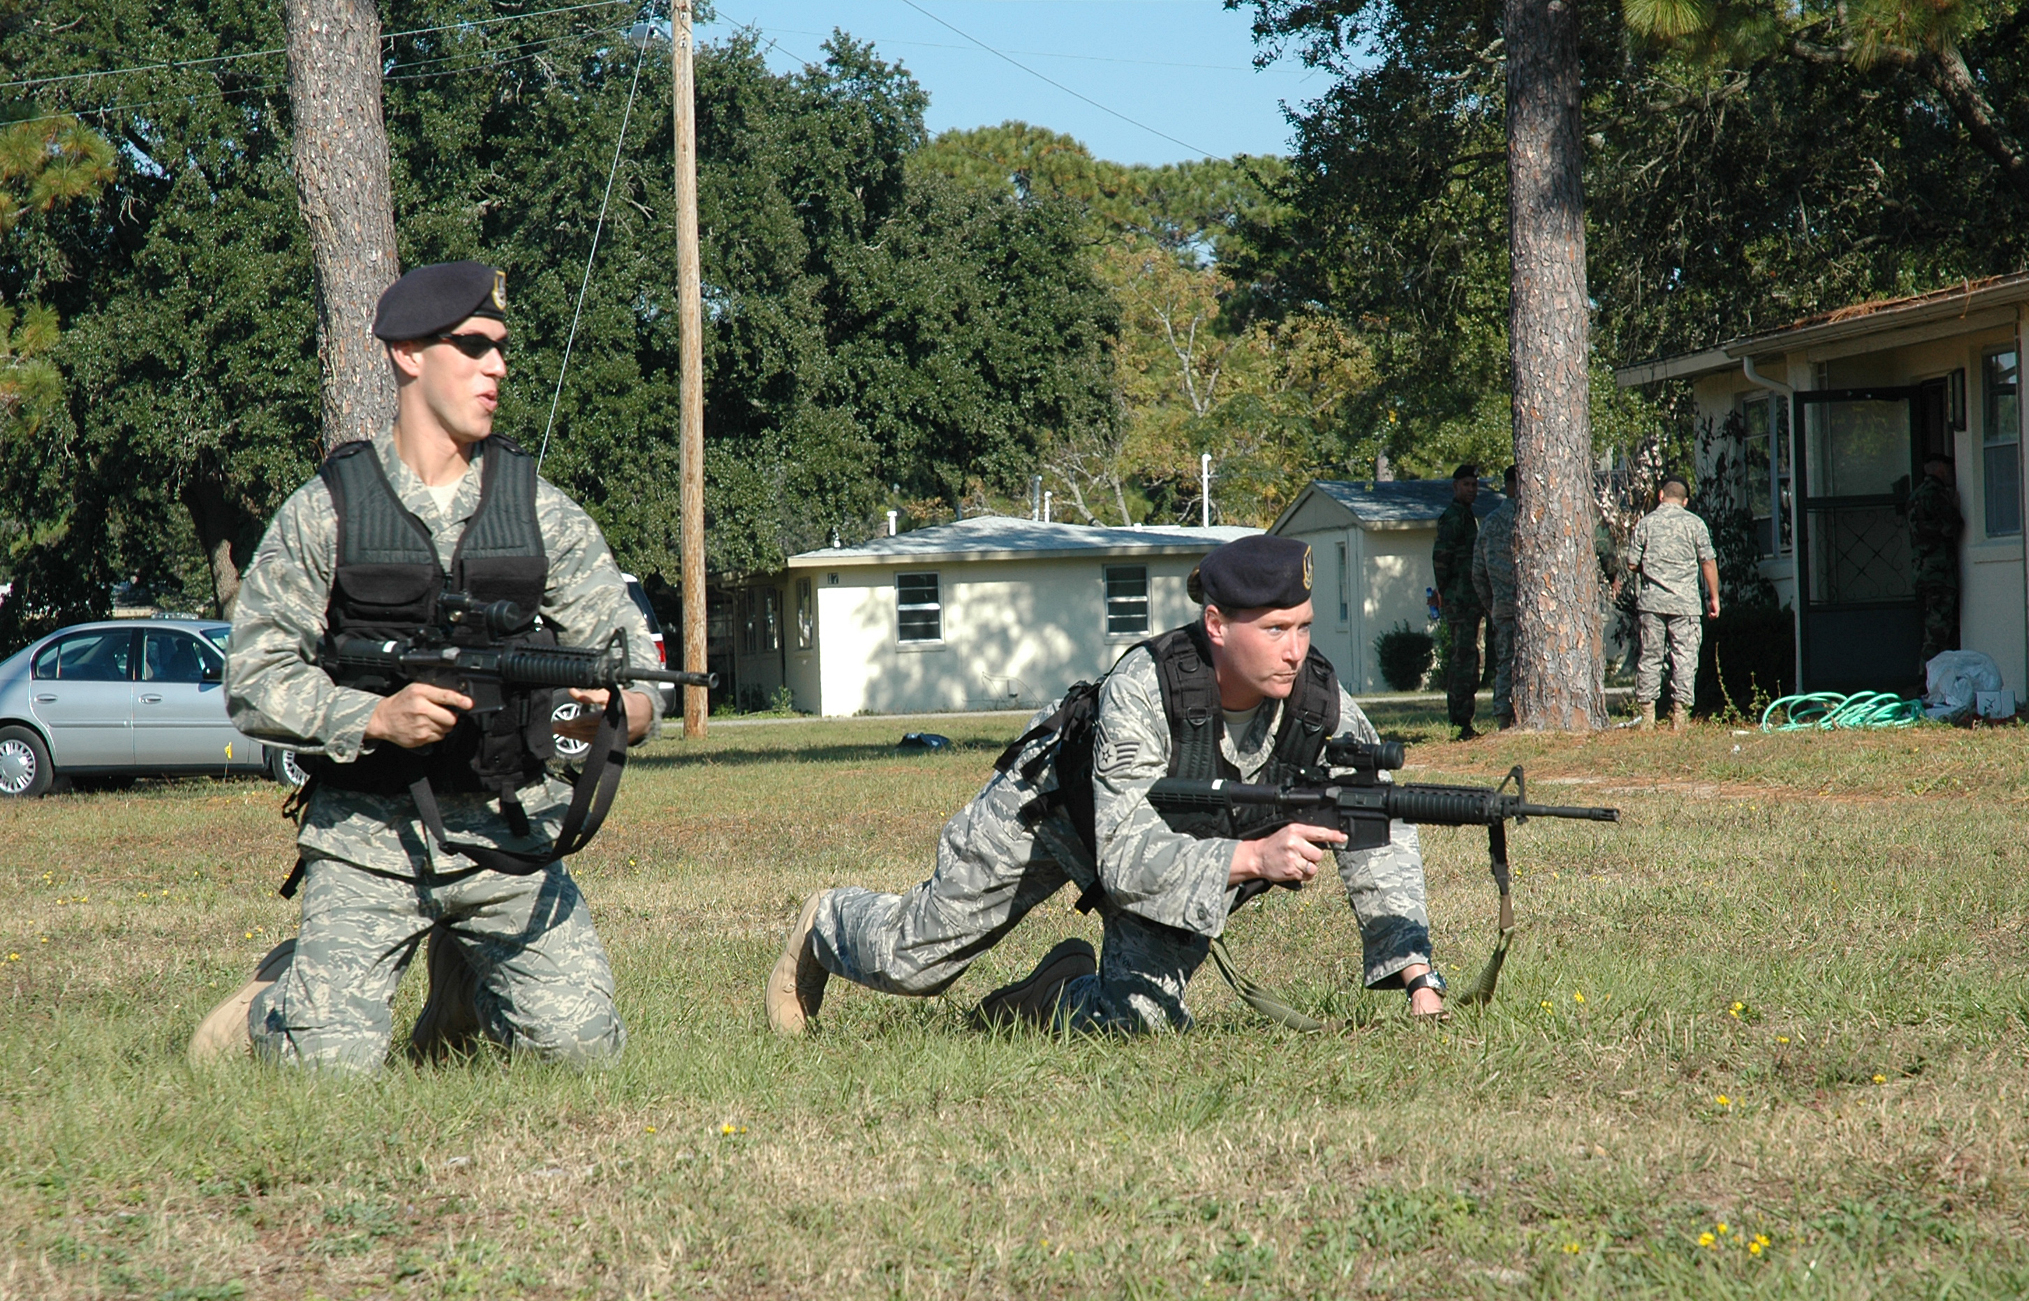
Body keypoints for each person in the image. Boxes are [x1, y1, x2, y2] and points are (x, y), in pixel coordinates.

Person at [187, 261, 665, 1072]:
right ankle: (268, 1006)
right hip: (368, 837)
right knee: (328, 1069)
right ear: (408, 352)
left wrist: (609, 710)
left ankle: (461, 984)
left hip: (509, 834)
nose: (498, 368)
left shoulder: (540, 512)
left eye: (503, 349)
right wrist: (371, 717)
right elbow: (255, 676)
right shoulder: (328, 511)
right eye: (475, 346)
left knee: (584, 1054)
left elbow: (639, 678)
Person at [764, 535, 1444, 1037]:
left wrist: (1418, 976)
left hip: (1179, 857)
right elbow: (1121, 858)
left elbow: (1372, 817)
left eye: (1302, 628)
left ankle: (1048, 996)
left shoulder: (1318, 701)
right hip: (1049, 810)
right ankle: (828, 923)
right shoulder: (1146, 691)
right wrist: (1252, 859)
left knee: (1138, 1025)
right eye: (1273, 631)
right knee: (912, 961)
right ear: (1217, 625)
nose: (1295, 650)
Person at [1620, 474, 1719, 731]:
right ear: (1685, 501)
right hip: (1685, 604)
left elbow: (1631, 563)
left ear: (1661, 496)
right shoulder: (1695, 524)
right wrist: (1714, 597)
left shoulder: (1646, 523)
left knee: (1650, 657)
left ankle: (1647, 717)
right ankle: (1680, 717)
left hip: (1652, 603)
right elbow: (1707, 561)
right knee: (1684, 658)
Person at [1431, 464, 1484, 739]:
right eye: (1466, 485)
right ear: (1455, 487)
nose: (1471, 490)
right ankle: (1460, 722)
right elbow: (1441, 558)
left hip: (1470, 599)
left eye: (1474, 485)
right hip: (1460, 601)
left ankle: (1464, 720)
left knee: (1471, 657)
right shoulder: (1453, 517)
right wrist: (1447, 594)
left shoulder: (1467, 516)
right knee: (1463, 659)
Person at [1471, 467, 1519, 729]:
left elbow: (1477, 572)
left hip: (1502, 606)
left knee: (1505, 663)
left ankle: (1503, 717)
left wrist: (1492, 605)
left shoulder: (1490, 522)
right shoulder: (1534, 518)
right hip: (1534, 610)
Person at [1908, 453, 1964, 668]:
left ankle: (1932, 675)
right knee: (1939, 628)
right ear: (1940, 468)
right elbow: (1952, 527)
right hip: (1939, 570)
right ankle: (1927, 676)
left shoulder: (1915, 496)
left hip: (1922, 569)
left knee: (1934, 623)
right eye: (1948, 468)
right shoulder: (1935, 494)